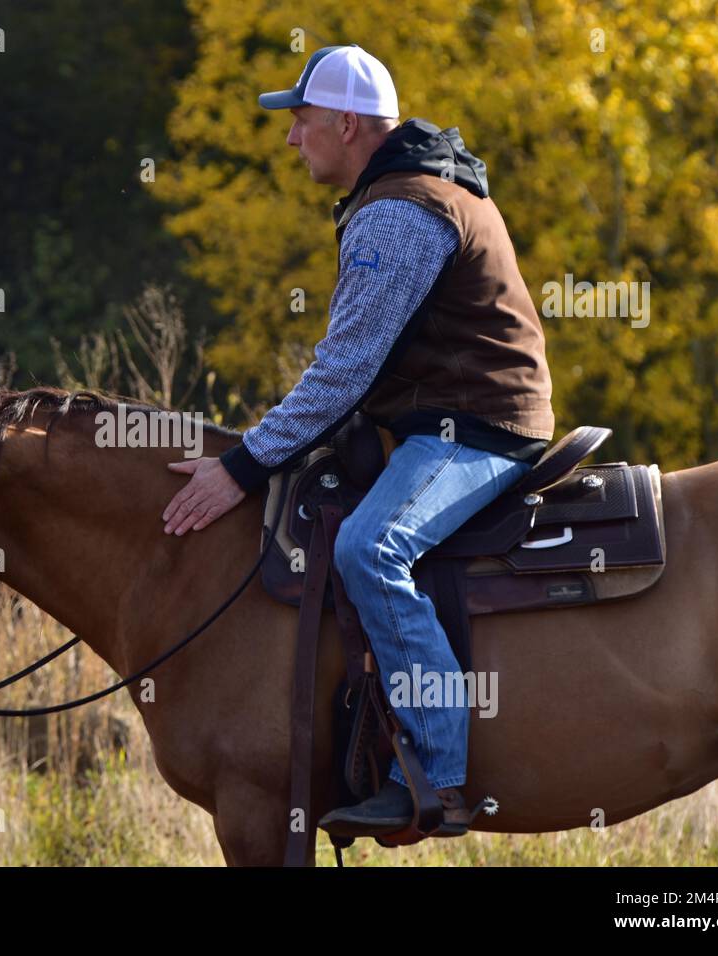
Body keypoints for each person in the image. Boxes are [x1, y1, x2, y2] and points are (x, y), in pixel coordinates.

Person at [160, 44, 555, 837]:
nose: (289, 138)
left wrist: (239, 467)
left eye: (300, 121)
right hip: (453, 417)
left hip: (476, 428)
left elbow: (341, 374)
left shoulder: (399, 211)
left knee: (370, 549)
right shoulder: (412, 192)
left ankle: (436, 776)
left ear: (346, 124)